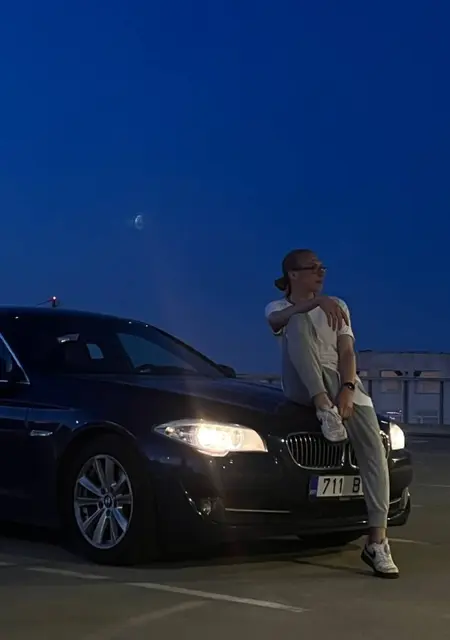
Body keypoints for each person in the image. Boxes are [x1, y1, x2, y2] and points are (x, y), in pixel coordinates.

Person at [265, 248, 399, 579]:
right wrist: (315, 304)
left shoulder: (338, 306)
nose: (320, 272)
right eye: (312, 268)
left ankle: (377, 542)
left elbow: (347, 351)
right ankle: (324, 407)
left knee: (375, 453)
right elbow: (278, 321)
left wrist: (349, 388)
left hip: (341, 382)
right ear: (293, 274)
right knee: (297, 321)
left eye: (322, 267)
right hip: (303, 385)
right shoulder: (278, 307)